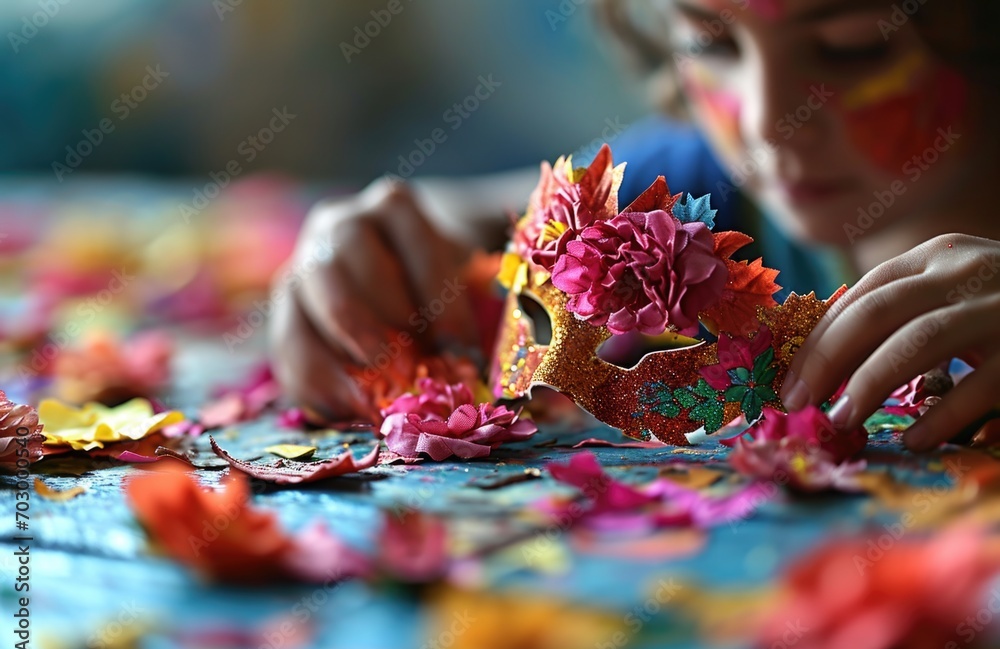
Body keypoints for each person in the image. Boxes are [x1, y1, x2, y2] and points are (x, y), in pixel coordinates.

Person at [270, 0, 1000, 452]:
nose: (771, 122)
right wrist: (364, 252)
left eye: (853, 45)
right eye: (711, 41)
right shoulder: (698, 190)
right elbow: (467, 220)